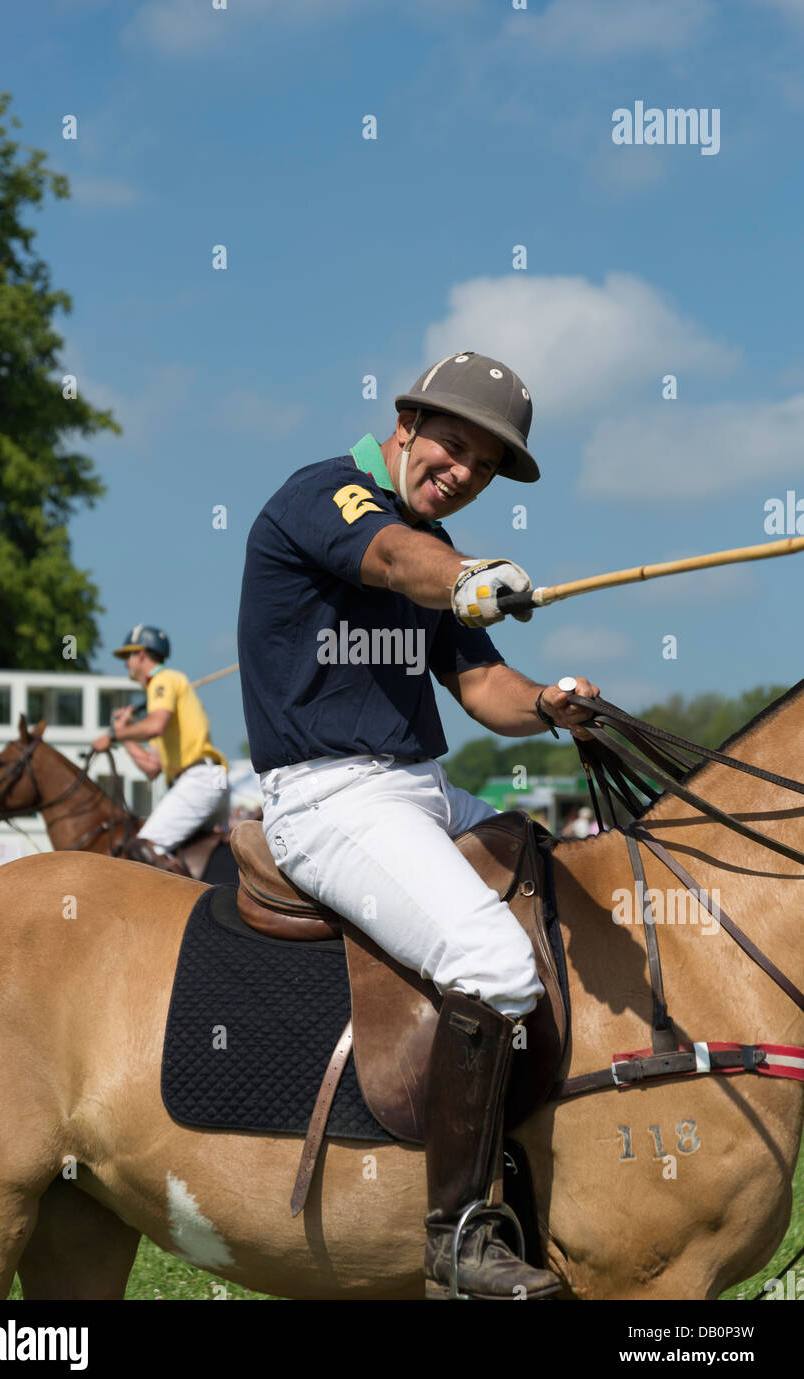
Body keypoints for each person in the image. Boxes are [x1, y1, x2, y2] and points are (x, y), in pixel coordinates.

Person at [237, 350, 600, 1299]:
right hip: (326, 798)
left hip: (421, 787)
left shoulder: (433, 544)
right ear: (404, 422)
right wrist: (470, 574)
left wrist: (552, 704)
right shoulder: (336, 496)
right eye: (451, 445)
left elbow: (486, 688)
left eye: (482, 465)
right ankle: (457, 1237)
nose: (461, 472)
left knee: (570, 885)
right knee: (491, 963)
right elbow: (402, 563)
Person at [92, 625, 229, 873]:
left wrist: (113, 734)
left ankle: (179, 906)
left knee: (143, 849)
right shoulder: (164, 691)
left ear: (141, 655)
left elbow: (155, 725)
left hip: (199, 781)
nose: (126, 664)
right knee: (177, 851)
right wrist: (126, 737)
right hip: (208, 781)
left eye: (128, 657)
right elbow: (152, 767)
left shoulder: (163, 680)